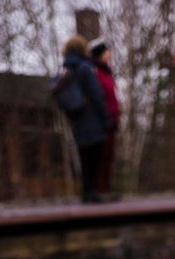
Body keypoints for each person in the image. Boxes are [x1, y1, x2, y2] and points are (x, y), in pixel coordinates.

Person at [57, 35, 111, 202]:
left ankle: (87, 191)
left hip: (76, 118)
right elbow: (96, 94)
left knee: (84, 156)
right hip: (91, 117)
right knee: (95, 155)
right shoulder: (85, 67)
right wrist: (106, 117)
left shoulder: (65, 69)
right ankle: (91, 192)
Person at [90, 39, 120, 197]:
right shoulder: (95, 72)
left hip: (111, 120)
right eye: (107, 52)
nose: (109, 55)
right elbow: (99, 98)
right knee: (101, 158)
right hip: (102, 121)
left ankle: (106, 189)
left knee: (109, 157)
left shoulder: (107, 72)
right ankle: (99, 190)